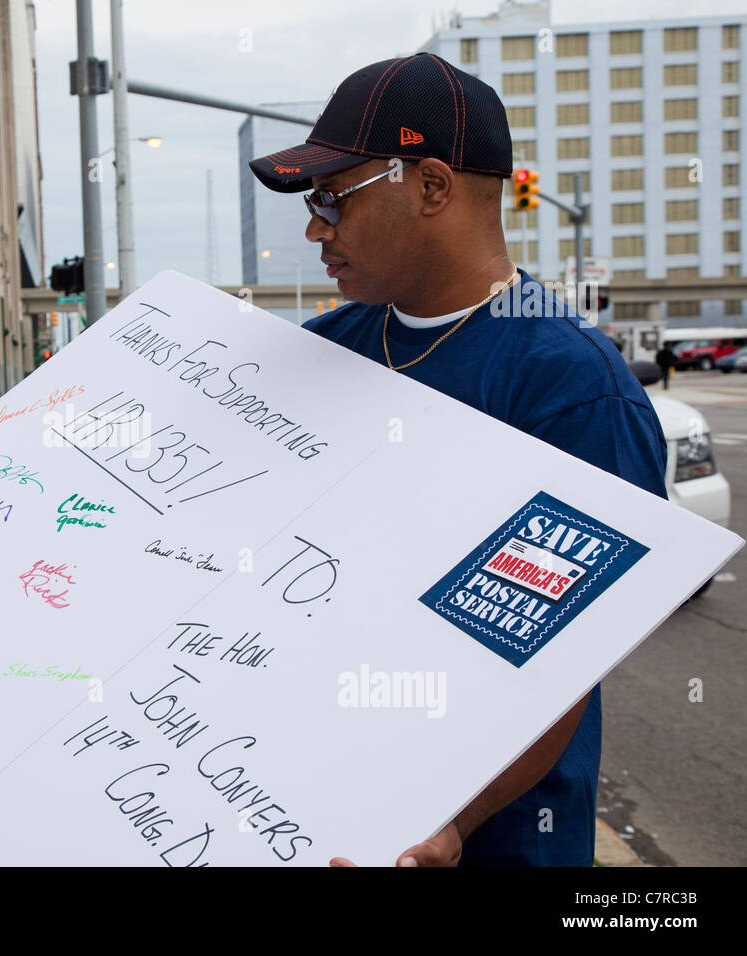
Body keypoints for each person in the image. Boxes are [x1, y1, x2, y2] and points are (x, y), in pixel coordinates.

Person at [249, 54, 667, 867]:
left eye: (334, 196)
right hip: (303, 805)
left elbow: (558, 659)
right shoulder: (317, 352)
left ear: (432, 186)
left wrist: (451, 820)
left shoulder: (571, 390)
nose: (313, 227)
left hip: (495, 845)